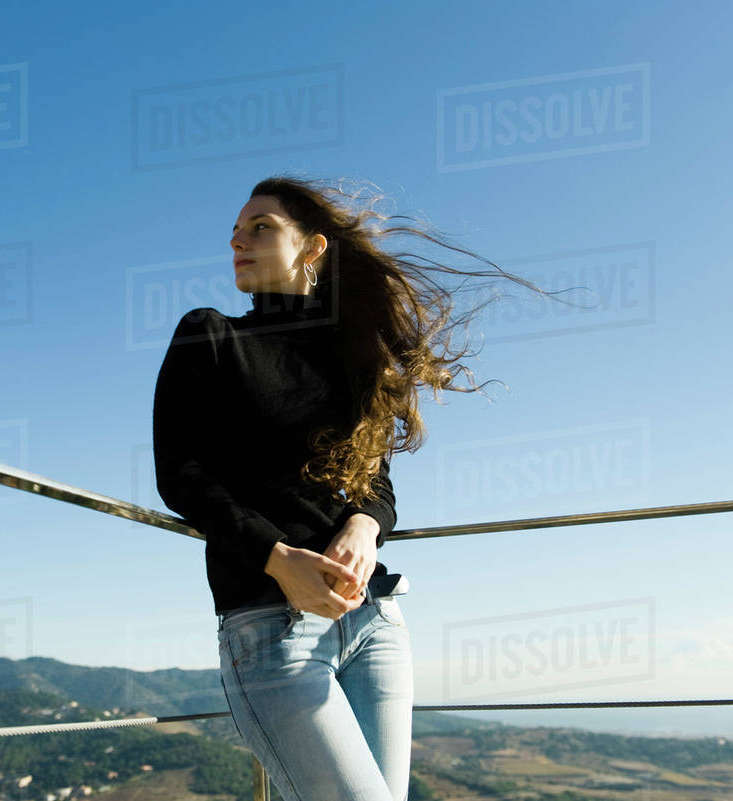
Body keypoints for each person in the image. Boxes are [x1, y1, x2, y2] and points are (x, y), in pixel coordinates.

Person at [151, 175, 557, 801]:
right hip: (271, 629)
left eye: (260, 227)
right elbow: (180, 476)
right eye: (235, 231)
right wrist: (277, 558)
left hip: (376, 623)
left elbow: (376, 483)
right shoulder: (209, 334)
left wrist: (366, 527)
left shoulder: (352, 355)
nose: (237, 240)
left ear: (313, 247)